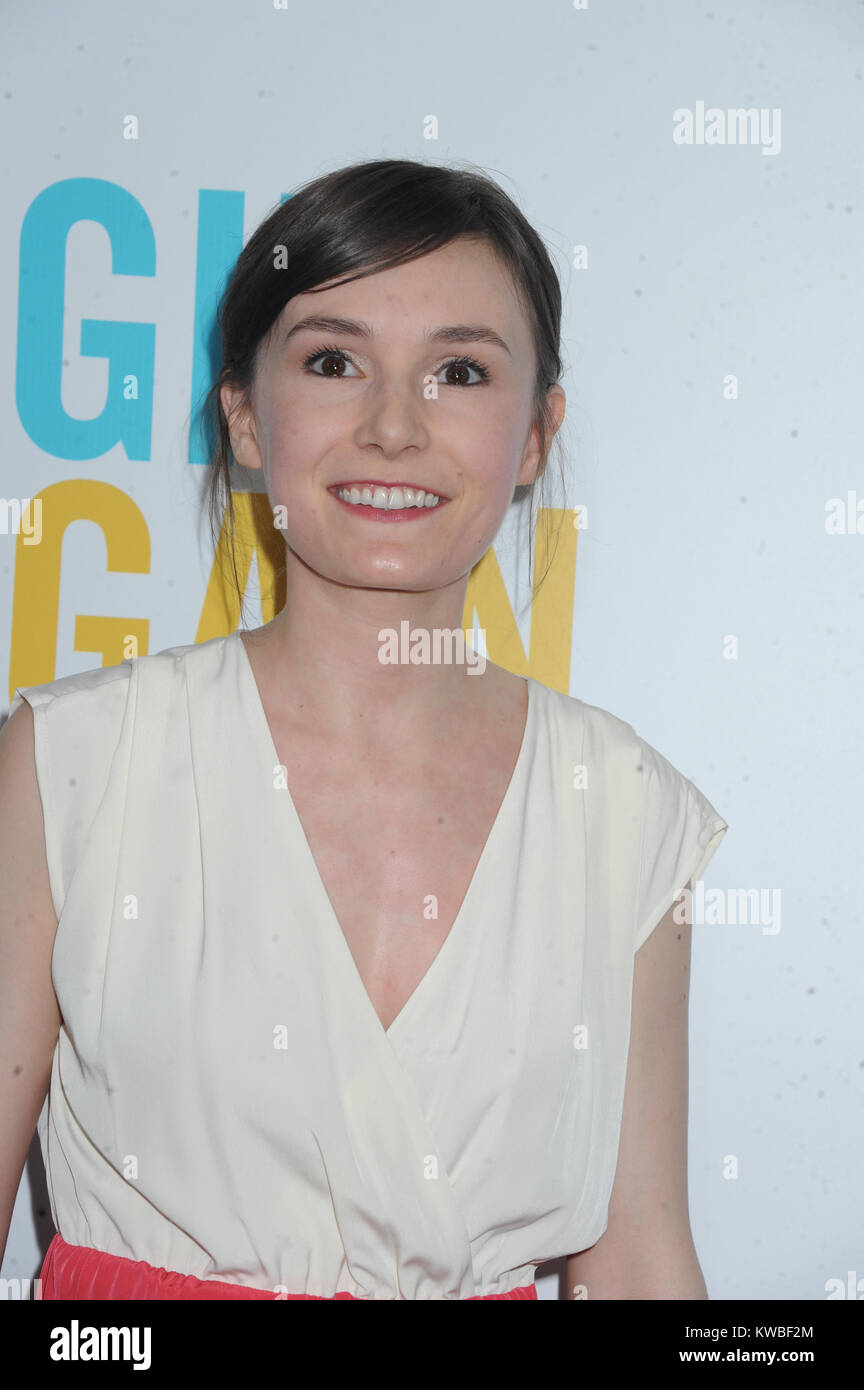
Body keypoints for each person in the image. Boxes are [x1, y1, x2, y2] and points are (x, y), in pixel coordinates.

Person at [0, 158, 727, 1300]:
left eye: (459, 371)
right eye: (334, 361)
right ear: (245, 417)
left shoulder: (625, 808)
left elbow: (636, 1258)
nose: (395, 426)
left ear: (536, 437)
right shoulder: (73, 765)